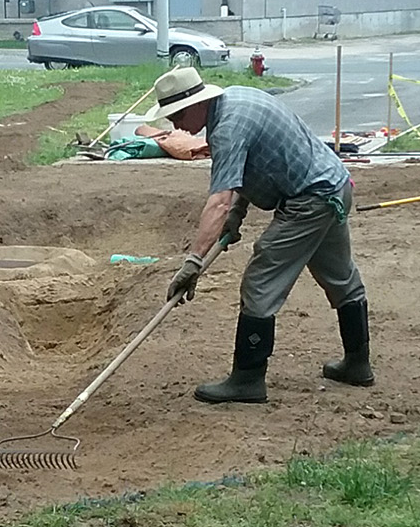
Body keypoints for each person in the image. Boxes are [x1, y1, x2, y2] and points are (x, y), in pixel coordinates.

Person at [153, 67, 370, 405]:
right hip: (334, 186)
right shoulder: (238, 100)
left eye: (178, 113)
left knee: (260, 281)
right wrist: (239, 213)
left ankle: (247, 379)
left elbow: (218, 202)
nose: (175, 124)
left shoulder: (226, 130)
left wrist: (193, 262)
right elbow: (258, 163)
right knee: (340, 277)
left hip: (309, 199)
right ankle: (358, 364)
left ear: (197, 102)